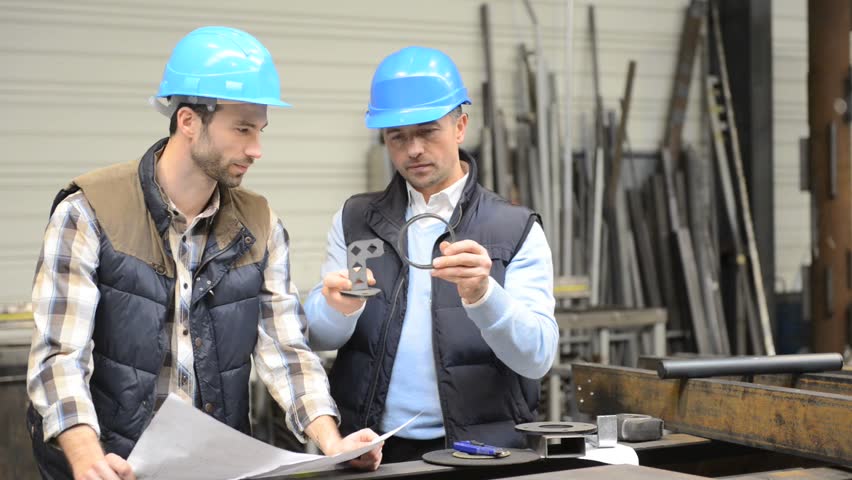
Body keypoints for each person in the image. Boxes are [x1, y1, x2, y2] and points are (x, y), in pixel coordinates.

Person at [25, 26, 381, 480]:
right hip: (112, 464)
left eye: (261, 130)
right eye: (242, 129)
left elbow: (286, 350)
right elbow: (59, 358)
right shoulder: (88, 213)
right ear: (189, 121)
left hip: (213, 467)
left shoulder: (261, 225)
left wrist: (333, 442)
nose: (257, 149)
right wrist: (87, 460)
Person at [303, 46, 558, 463]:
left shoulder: (513, 229)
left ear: (460, 126)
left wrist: (484, 296)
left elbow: (538, 358)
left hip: (478, 451)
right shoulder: (355, 220)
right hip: (373, 450)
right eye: (397, 137)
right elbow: (317, 336)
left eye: (427, 131)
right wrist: (336, 309)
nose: (414, 149)